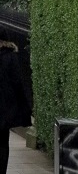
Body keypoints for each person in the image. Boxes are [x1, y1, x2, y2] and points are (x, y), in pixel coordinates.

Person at [0, 31, 33, 174]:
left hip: (4, 107)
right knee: (2, 143)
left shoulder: (8, 58)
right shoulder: (11, 58)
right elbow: (18, 84)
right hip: (6, 108)